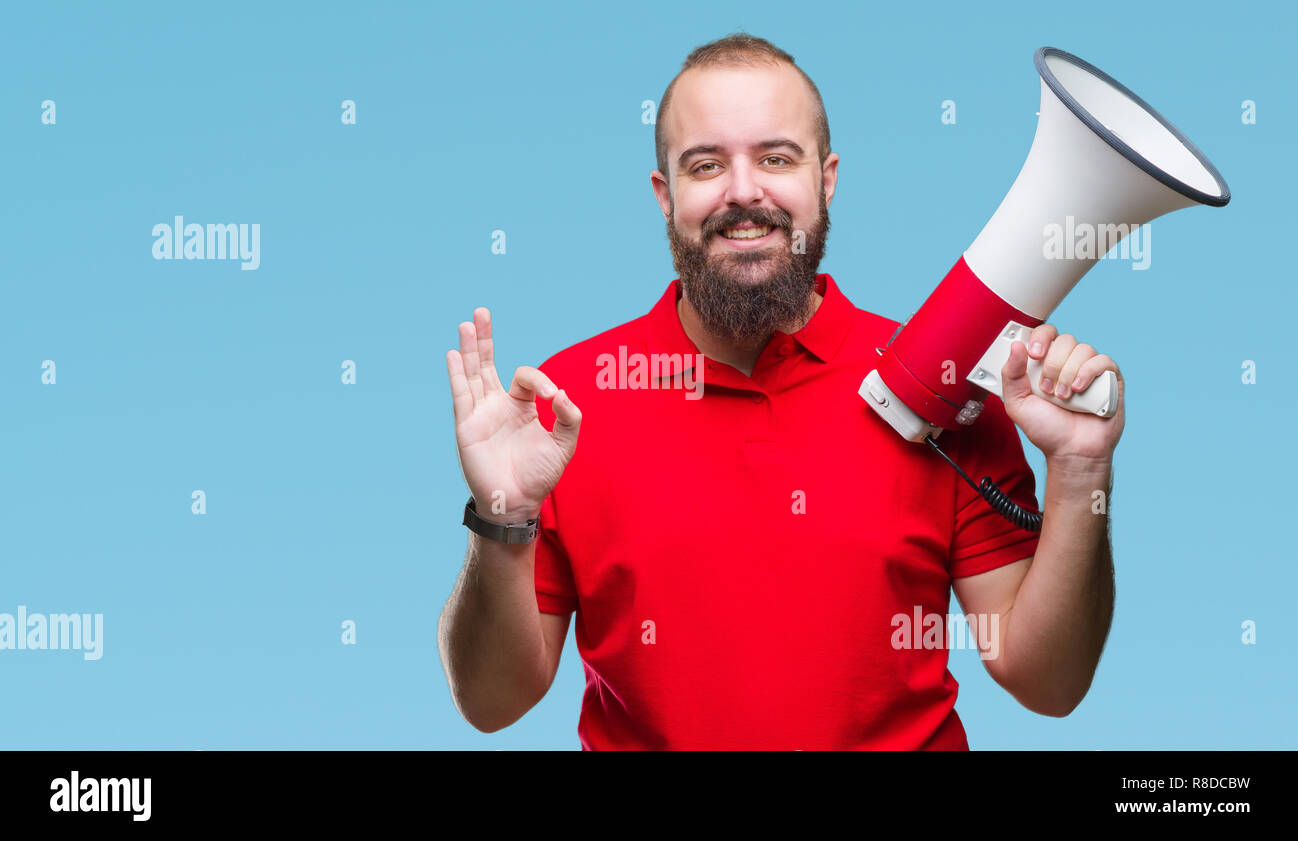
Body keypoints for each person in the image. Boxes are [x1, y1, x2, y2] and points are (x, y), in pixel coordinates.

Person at [438, 33, 1122, 749]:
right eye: (706, 164)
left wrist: (1081, 471)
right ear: (664, 194)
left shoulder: (941, 386)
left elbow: (1049, 682)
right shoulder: (564, 405)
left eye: (776, 157)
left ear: (826, 180)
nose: (743, 191)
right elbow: (491, 703)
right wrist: (501, 517)